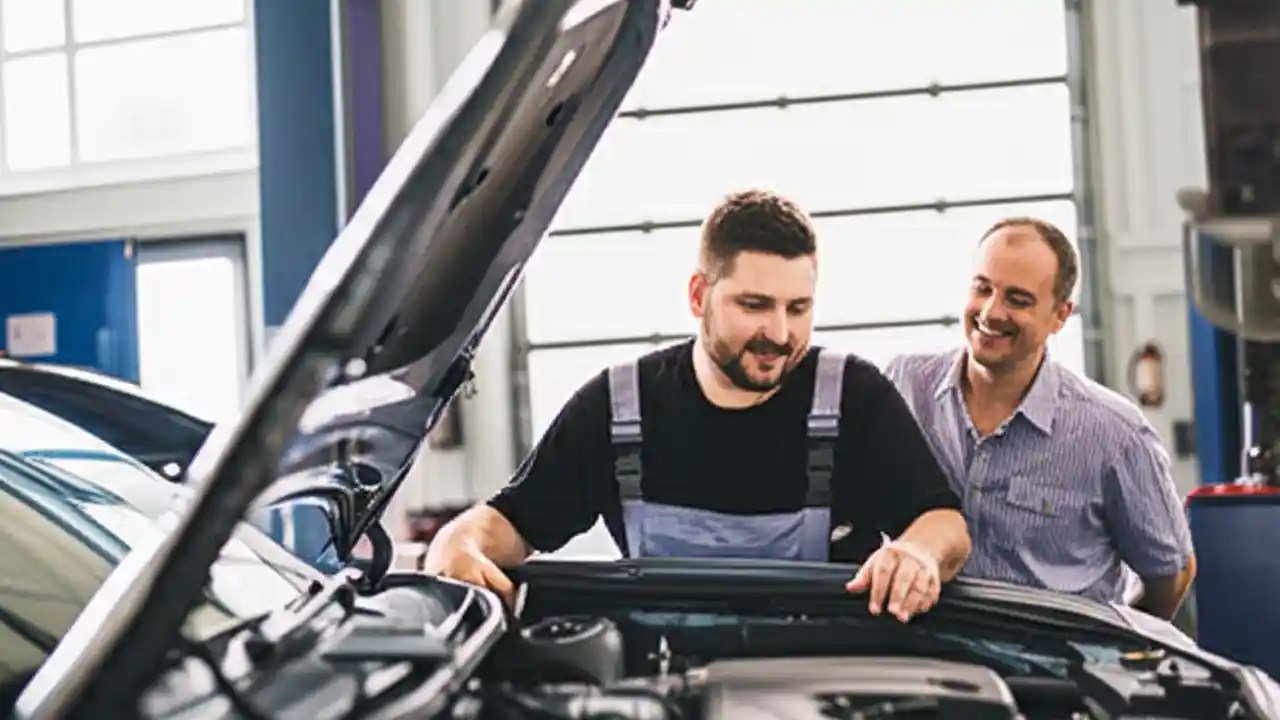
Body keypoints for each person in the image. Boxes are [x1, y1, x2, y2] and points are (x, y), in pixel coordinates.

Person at [425, 189, 972, 623]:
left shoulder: (856, 397)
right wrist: (458, 541)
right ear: (697, 296)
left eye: (798, 308)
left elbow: (943, 523)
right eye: (754, 305)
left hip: (822, 684)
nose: (779, 333)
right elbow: (513, 523)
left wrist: (920, 553)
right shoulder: (619, 407)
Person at [883, 217, 1197, 620]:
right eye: (983, 289)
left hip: (1054, 672)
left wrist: (1112, 650)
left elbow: (1170, 572)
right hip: (925, 660)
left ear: (1060, 316)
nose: (991, 312)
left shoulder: (1115, 436)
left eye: (1018, 299)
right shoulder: (904, 386)